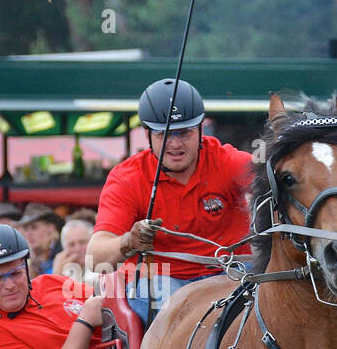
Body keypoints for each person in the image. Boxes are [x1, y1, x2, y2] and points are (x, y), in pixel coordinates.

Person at [86, 78, 252, 327]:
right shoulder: (127, 178)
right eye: (164, 134)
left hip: (228, 274)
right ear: (147, 134)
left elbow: (281, 181)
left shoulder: (229, 162)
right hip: (161, 280)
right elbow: (95, 255)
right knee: (176, 316)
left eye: (184, 132)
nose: (175, 144)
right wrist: (128, 242)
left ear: (200, 130)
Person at [15, 204, 64, 277]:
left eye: (34, 227)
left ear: (51, 228)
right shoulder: (26, 261)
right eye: (25, 228)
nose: (29, 234)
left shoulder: (65, 255)